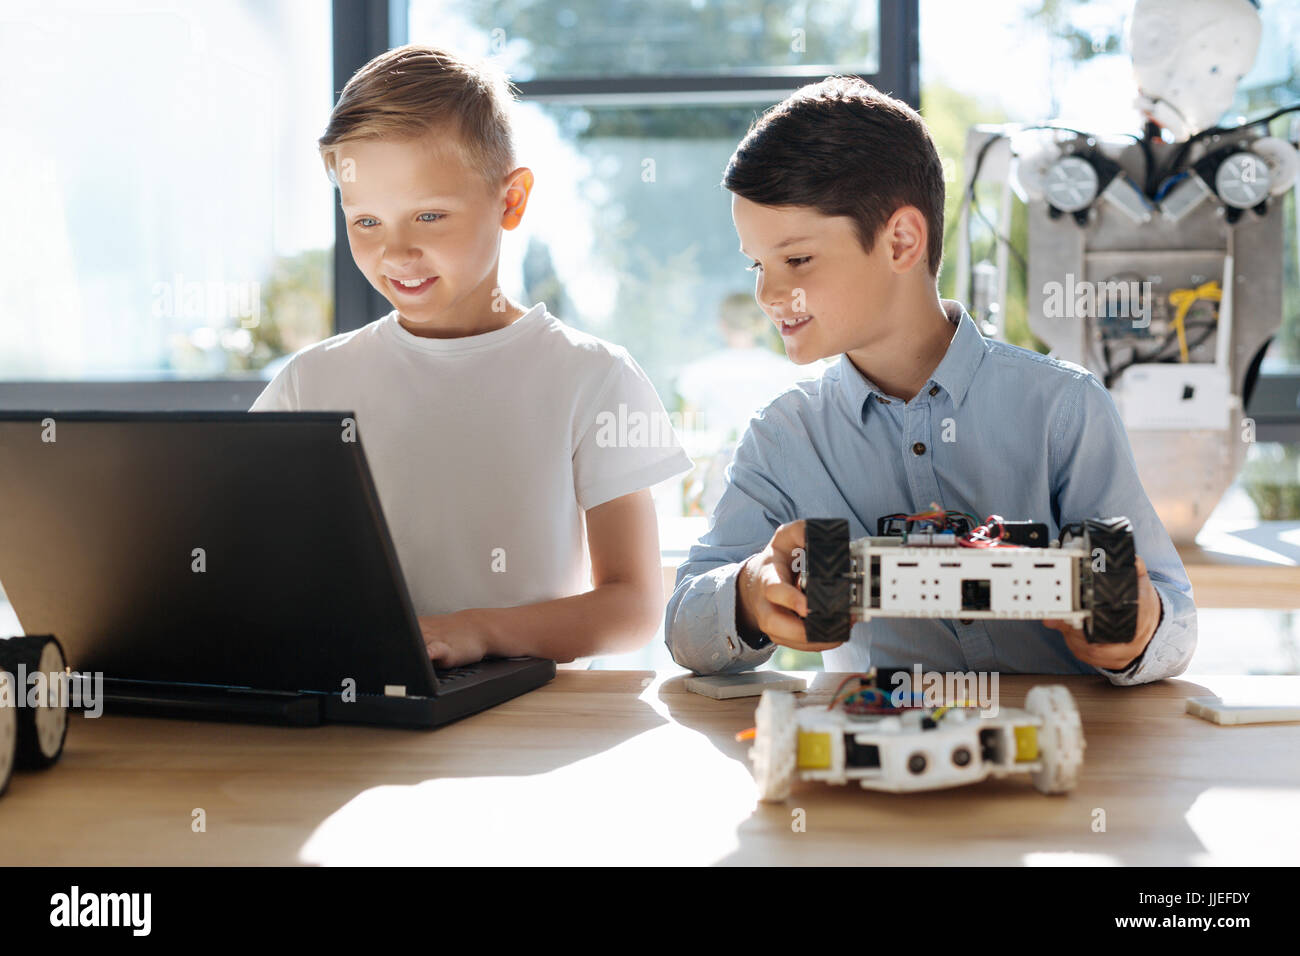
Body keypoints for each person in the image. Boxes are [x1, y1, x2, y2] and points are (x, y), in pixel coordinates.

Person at [664, 76, 1195, 684]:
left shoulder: (1063, 410)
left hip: (1059, 735)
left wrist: (1136, 630)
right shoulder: (784, 434)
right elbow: (683, 624)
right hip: (877, 735)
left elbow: (1175, 619)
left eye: (797, 259)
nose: (767, 293)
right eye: (757, 265)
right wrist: (748, 594)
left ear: (901, 241)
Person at [252, 45, 691, 667]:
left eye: (429, 215)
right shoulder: (309, 381)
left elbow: (633, 606)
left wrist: (477, 632)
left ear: (511, 201)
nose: (396, 252)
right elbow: (250, 559)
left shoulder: (593, 377)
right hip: (363, 705)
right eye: (367, 221)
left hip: (534, 713)